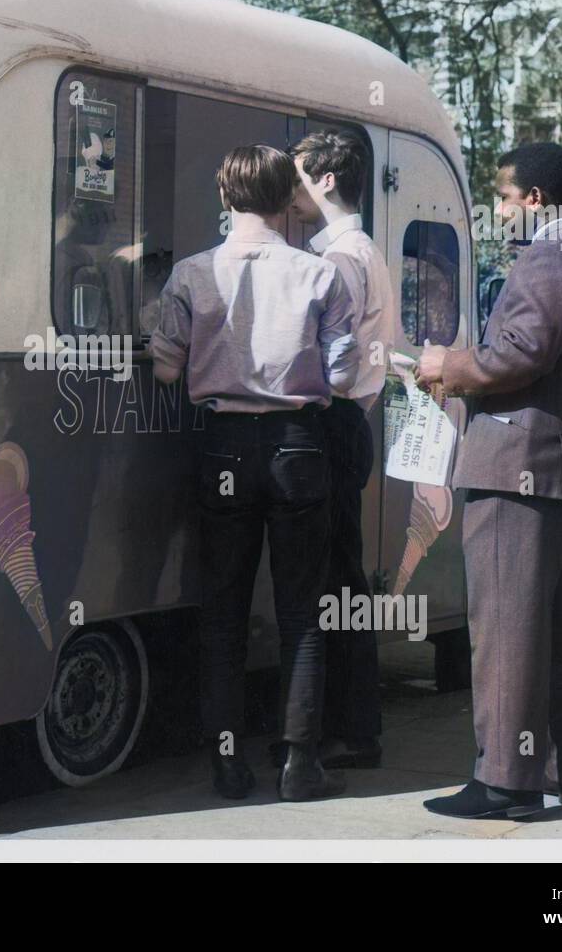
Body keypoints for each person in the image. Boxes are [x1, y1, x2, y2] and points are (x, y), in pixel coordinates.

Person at [415, 142, 562, 819]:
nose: (499, 211)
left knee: (506, 629)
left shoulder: (547, 257)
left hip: (518, 471)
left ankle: (505, 781)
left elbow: (521, 353)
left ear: (534, 199)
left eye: (503, 198)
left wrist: (447, 363)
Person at [151, 143, 358, 802]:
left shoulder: (190, 274)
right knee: (302, 613)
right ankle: (300, 764)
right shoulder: (321, 275)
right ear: (284, 199)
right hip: (299, 444)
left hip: (224, 447)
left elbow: (165, 369)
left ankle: (227, 763)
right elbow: (347, 375)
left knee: (222, 613)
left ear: (223, 196)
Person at [288, 130, 396, 771]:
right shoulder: (360, 250)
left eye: (299, 177)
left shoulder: (338, 258)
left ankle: (351, 728)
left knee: (334, 578)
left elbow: (340, 354)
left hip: (332, 419)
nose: (291, 192)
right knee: (340, 574)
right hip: (350, 419)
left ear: (326, 181)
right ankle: (349, 725)